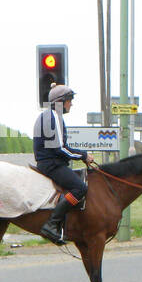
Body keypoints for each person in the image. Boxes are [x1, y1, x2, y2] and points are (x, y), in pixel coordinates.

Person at [33, 84, 94, 245]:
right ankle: (52, 224)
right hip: (52, 164)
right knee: (80, 188)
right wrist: (84, 155)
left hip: (49, 161)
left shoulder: (48, 115)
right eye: (70, 100)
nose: (71, 104)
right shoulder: (54, 116)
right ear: (61, 101)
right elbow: (61, 148)